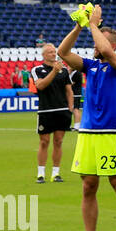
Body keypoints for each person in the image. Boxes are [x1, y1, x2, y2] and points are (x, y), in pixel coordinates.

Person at [58, 4, 116, 231]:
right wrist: (79, 26)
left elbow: (103, 48)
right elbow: (63, 51)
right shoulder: (90, 66)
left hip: (111, 134)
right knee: (88, 186)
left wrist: (94, 24)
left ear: (112, 44)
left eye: (99, 40)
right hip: (88, 134)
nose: (95, 46)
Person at [31, 44, 75, 184]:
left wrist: (70, 107)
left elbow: (69, 90)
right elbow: (41, 85)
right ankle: (41, 173)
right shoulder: (37, 70)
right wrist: (54, 71)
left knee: (58, 141)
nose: (53, 54)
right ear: (44, 55)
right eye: (50, 52)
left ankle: (56, 173)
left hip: (62, 111)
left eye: (54, 52)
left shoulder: (63, 71)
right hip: (46, 111)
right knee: (44, 142)